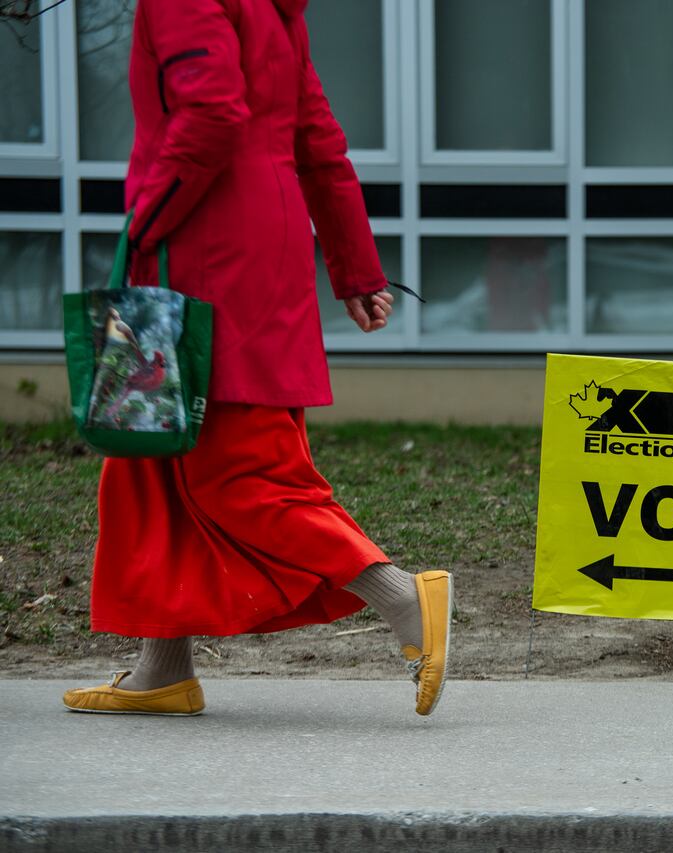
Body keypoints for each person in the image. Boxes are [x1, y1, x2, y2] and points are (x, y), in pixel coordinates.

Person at [61, 0, 451, 717]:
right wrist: (357, 270)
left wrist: (144, 218)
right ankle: (162, 667)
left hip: (205, 246)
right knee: (151, 455)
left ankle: (400, 595)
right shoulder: (273, 9)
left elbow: (210, 115)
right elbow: (318, 141)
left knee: (238, 464)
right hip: (257, 243)